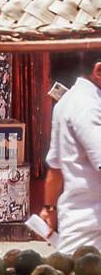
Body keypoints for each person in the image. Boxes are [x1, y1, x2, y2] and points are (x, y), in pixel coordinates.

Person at [42, 57, 101, 254]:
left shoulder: (68, 100)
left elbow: (55, 169)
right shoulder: (88, 106)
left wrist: (48, 208)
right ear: (99, 70)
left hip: (77, 224)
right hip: (92, 227)